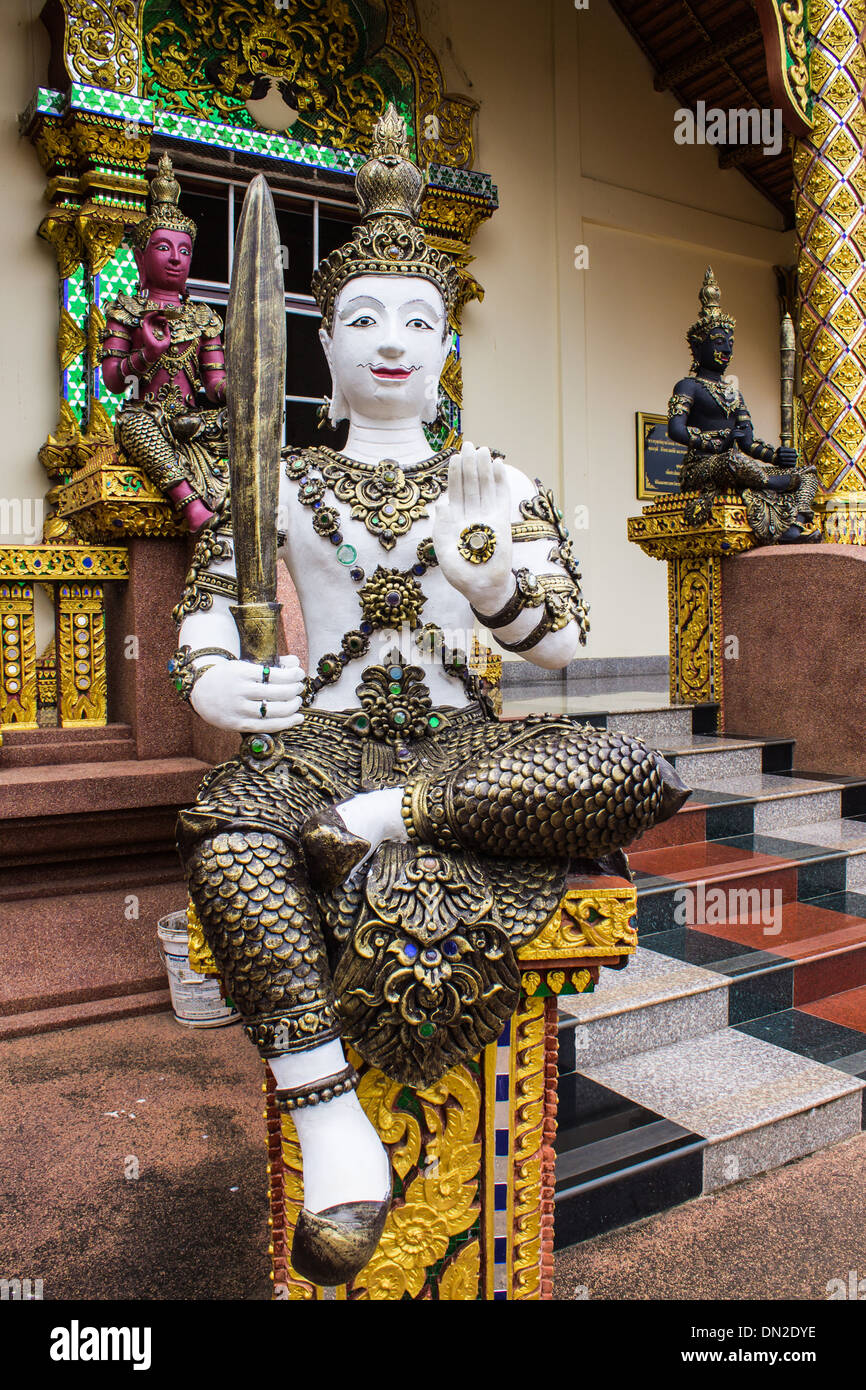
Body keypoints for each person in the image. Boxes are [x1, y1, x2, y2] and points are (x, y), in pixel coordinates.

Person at [170, 106, 689, 1286]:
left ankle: (384, 829)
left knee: (633, 769)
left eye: (419, 319)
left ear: (448, 340)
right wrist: (216, 677)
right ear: (323, 341)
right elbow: (209, 611)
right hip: (322, 749)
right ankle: (332, 1126)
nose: (391, 341)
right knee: (225, 829)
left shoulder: (495, 479)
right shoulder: (286, 479)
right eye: (362, 319)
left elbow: (560, 648)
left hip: (463, 759)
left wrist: (492, 578)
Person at [101, 154, 229, 533]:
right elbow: (112, 380)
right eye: (163, 248)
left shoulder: (204, 316)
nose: (176, 258)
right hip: (150, 417)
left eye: (184, 250)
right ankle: (190, 505)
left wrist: (236, 391)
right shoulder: (126, 309)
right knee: (132, 423)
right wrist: (146, 355)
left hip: (194, 420)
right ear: (141, 258)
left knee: (243, 426)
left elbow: (213, 383)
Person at [667, 267, 819, 543]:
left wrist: (776, 457)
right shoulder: (688, 386)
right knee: (734, 461)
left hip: (745, 467)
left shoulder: (733, 392)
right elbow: (676, 430)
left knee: (805, 473)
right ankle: (773, 485)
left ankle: (795, 521)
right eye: (718, 343)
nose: (726, 350)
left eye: (730, 343)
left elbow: (748, 442)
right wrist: (718, 442)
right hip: (704, 466)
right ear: (699, 347)